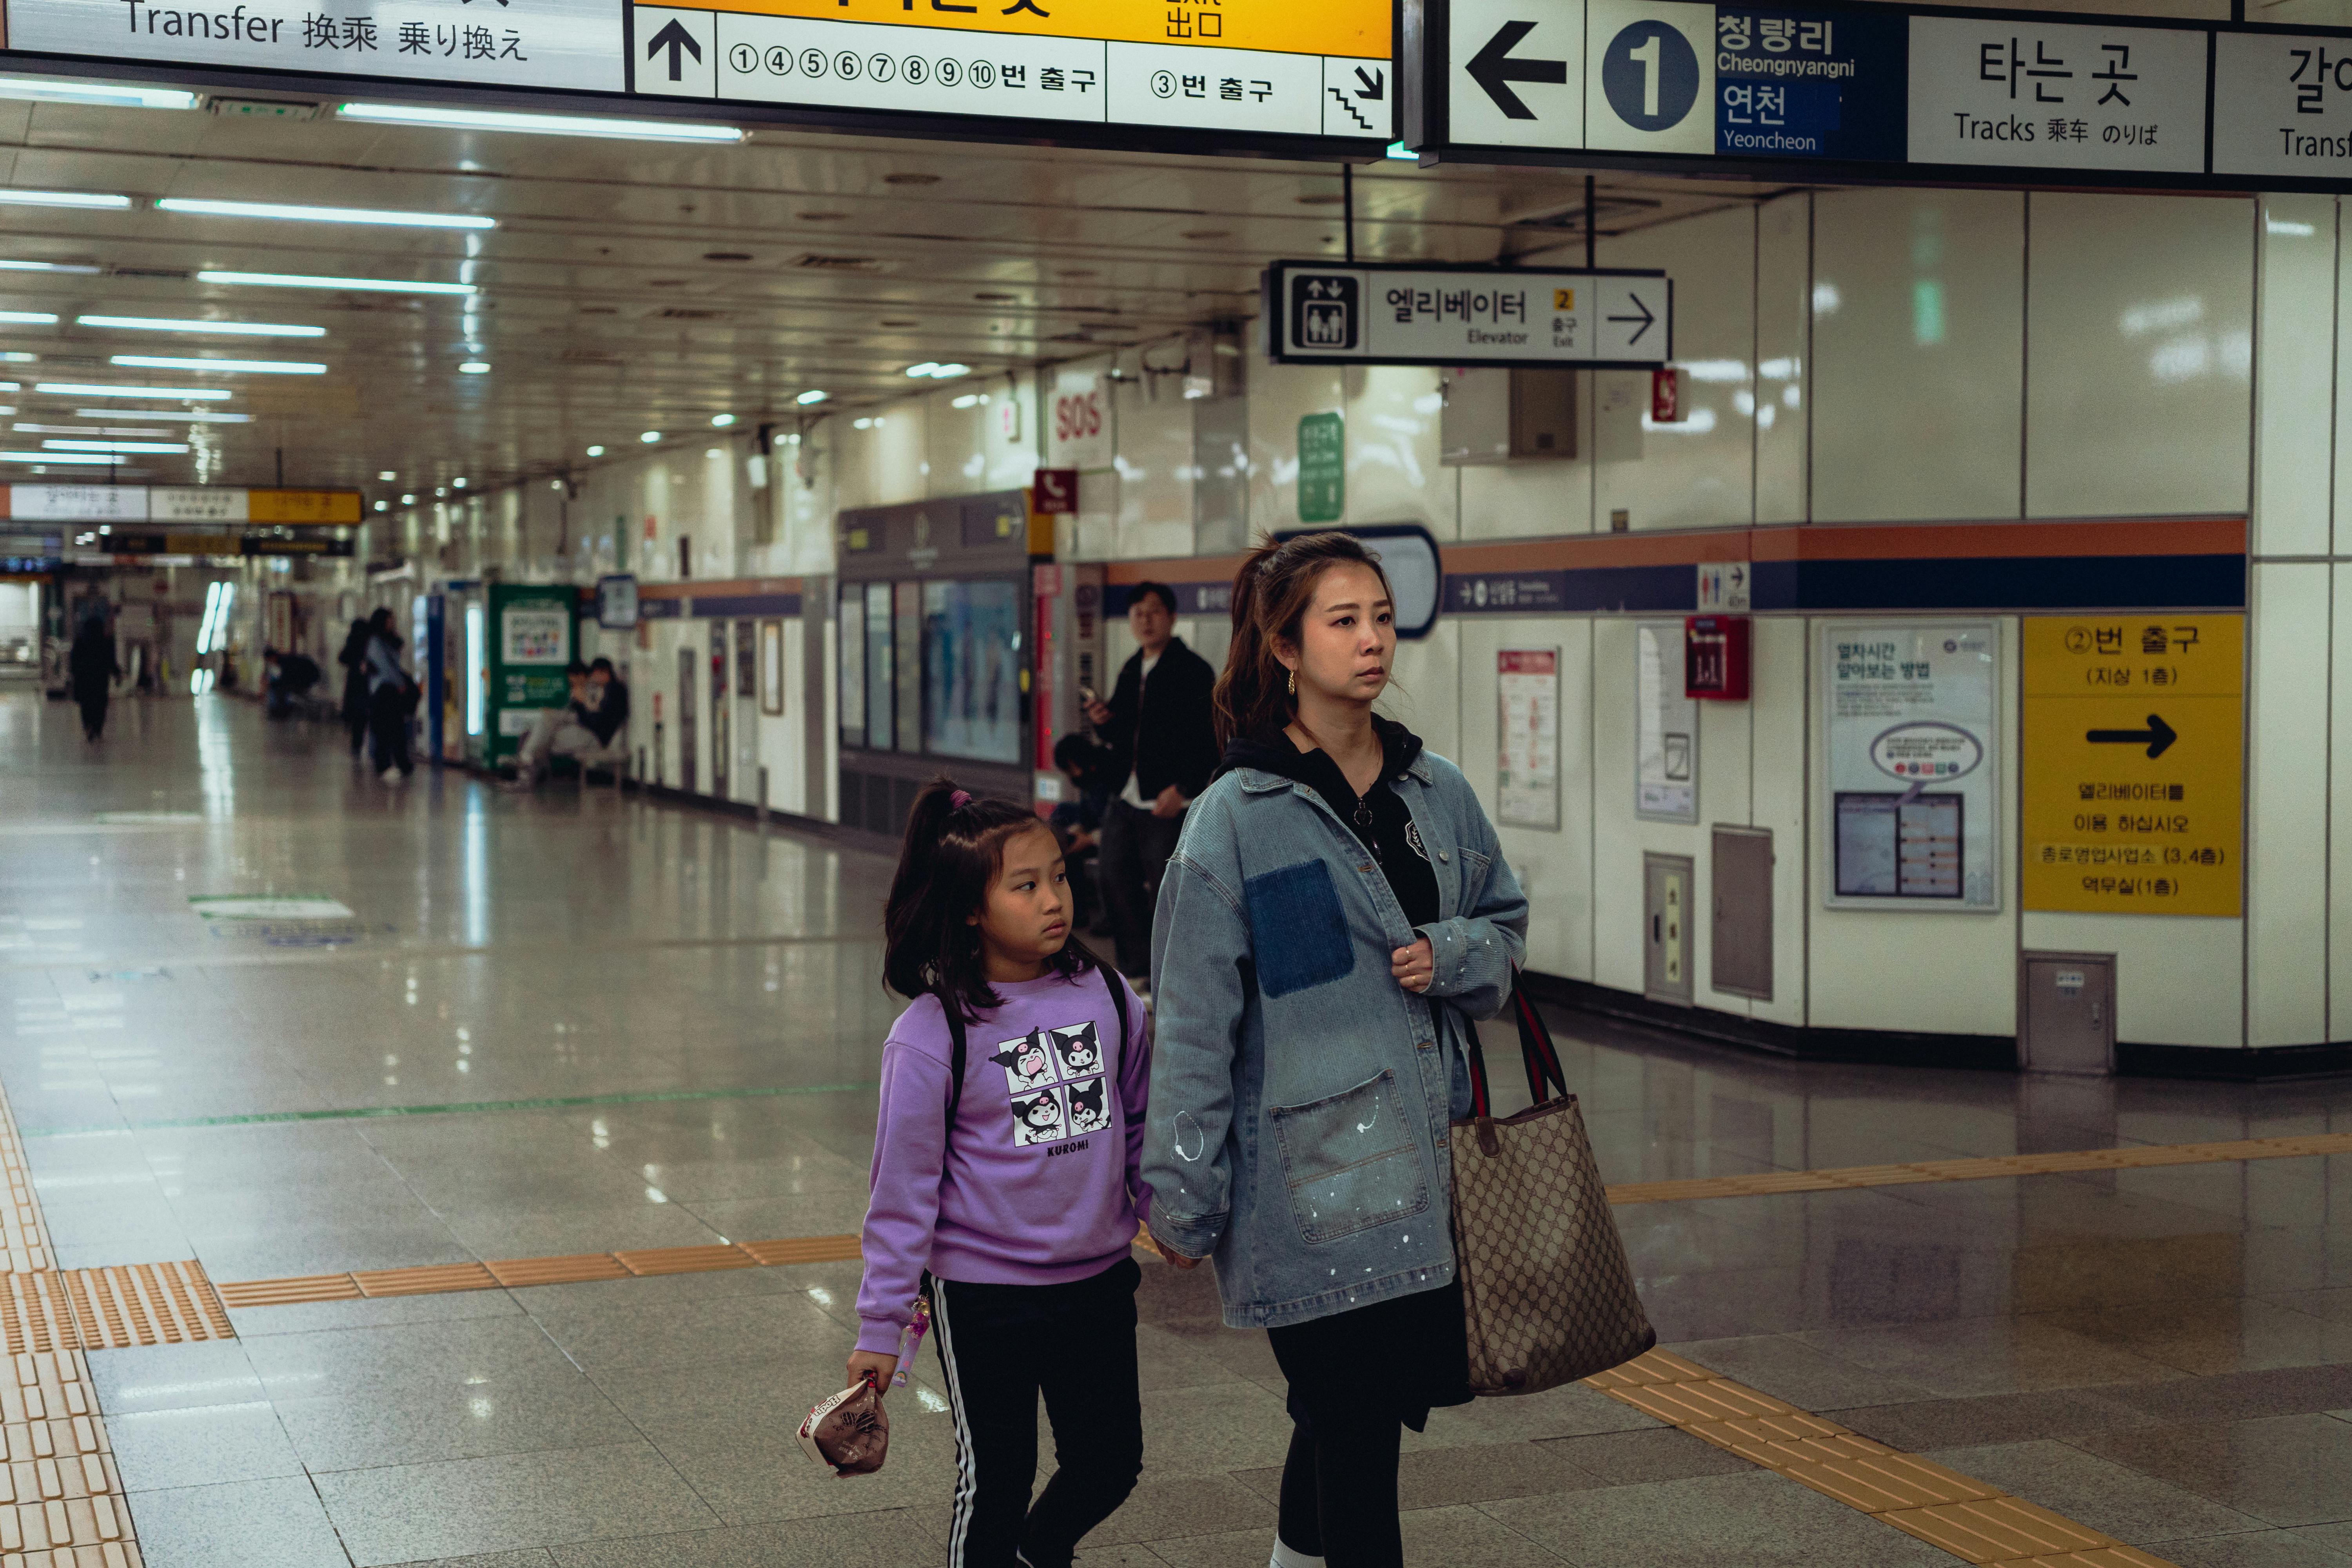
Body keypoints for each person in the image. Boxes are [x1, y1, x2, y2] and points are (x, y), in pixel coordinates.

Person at [1142, 532, 1529, 1568]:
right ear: (1284, 647)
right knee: (1353, 1431)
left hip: (1427, 1175)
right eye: (1344, 620)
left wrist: (1451, 954)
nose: (1372, 641)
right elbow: (1193, 1023)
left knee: (1347, 1417)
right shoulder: (1235, 819)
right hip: (1308, 1188)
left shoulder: (1435, 791)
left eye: (1382, 619)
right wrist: (1181, 1192)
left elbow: (1504, 926)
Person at [851, 781, 1152, 1568]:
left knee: (1110, 1460)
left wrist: (1170, 1211)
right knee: (997, 1481)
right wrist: (881, 1325)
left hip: (1097, 1279)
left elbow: (1141, 1120)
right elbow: (901, 1194)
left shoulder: (1110, 996)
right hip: (986, 1295)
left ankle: (1037, 1553)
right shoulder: (932, 1032)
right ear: (970, 910)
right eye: (1025, 886)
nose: (1054, 899)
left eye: (1059, 876)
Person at [1083, 581, 1218, 992]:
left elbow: (1209, 738)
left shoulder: (1193, 670)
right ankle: (1136, 971)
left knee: (1168, 893)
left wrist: (1184, 789)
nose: (1145, 620)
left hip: (1166, 800)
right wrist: (1102, 721)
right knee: (1112, 877)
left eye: (1154, 611)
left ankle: (1173, 978)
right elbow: (1121, 734)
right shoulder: (1131, 667)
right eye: (1138, 613)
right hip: (1126, 795)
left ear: (1172, 617)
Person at [504, 657, 630, 789]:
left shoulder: (615, 691)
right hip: (585, 732)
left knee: (542, 737)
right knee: (541, 736)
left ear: (603, 672)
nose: (592, 678)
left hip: (594, 737)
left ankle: (525, 768)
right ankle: (525, 767)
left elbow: (596, 721)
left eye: (593, 674)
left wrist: (583, 703)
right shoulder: (603, 690)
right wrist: (582, 705)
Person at [1048, 732, 1116, 934]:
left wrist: (1090, 839)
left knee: (1073, 854)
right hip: (1096, 828)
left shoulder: (1110, 776)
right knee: (1063, 813)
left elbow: (1116, 824)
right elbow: (1088, 813)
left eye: (1071, 770)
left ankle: (1101, 917)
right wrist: (1079, 829)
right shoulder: (1089, 779)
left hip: (1113, 837)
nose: (1072, 776)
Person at [365, 614, 416, 784]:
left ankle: (400, 762)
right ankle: (386, 763)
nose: (392, 624)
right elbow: (385, 666)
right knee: (387, 727)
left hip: (390, 689)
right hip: (383, 690)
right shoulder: (376, 642)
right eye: (389, 620)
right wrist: (401, 683)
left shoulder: (388, 641)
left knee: (395, 727)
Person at [68, 614, 119, 743]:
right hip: (100, 680)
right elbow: (111, 661)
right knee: (100, 705)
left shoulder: (80, 641)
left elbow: (74, 661)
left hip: (84, 680)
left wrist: (73, 675)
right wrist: (117, 674)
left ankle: (88, 726)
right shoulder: (106, 642)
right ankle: (97, 728)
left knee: (86, 706)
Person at [338, 615, 378, 761]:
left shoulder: (353, 642)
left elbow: (342, 658)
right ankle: (371, 746)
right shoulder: (370, 643)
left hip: (355, 684)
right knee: (368, 714)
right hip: (369, 683)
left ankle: (357, 745)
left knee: (358, 717)